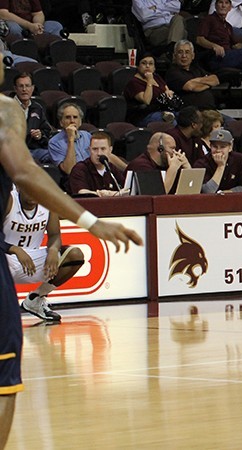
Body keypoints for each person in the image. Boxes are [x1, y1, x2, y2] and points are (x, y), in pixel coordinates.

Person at [0, 59, 143, 446]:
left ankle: (37, 301)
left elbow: (54, 235)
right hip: (8, 254)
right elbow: (26, 172)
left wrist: (55, 246)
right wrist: (93, 222)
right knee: (5, 368)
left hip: (24, 263)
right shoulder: (6, 110)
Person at [4, 188, 85, 322]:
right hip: (6, 257)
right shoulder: (9, 200)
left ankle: (35, 300)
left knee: (74, 255)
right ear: (19, 187)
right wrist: (15, 250)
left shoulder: (47, 202)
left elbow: (54, 235)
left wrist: (53, 250)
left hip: (33, 261)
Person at [196, 0, 242, 71]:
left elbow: (235, 46)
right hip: (217, 57)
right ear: (215, 6)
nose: (223, 6)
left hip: (230, 56)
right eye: (220, 2)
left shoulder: (228, 26)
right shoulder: (209, 19)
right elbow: (199, 39)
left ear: (229, 8)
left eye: (226, 3)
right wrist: (214, 45)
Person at [125, 54, 179, 127]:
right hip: (144, 115)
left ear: (154, 68)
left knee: (184, 118)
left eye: (150, 64)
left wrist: (168, 92)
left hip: (163, 111)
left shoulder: (156, 77)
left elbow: (167, 90)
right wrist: (149, 81)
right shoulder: (134, 82)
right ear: (138, 66)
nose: (147, 66)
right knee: (173, 123)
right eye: (144, 63)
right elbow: (146, 100)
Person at [68, 132, 127, 197]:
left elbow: (127, 190)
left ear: (110, 150)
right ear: (89, 150)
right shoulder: (80, 169)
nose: (99, 153)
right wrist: (108, 194)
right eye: (95, 149)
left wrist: (109, 193)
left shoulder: (111, 168)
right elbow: (82, 193)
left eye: (103, 149)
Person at [12, 73, 54, 161]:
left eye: (27, 86)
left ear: (32, 88)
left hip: (33, 149)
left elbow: (47, 130)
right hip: (13, 150)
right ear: (15, 89)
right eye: (21, 86)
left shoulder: (37, 107)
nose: (24, 89)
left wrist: (40, 135)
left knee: (54, 155)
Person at [165, 40, 219, 109]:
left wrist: (197, 82)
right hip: (190, 113)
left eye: (187, 52)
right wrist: (207, 83)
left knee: (231, 120)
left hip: (210, 110)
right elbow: (191, 87)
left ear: (193, 56)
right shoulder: (172, 72)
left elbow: (215, 80)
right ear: (174, 56)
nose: (184, 56)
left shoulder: (197, 69)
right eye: (180, 52)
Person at [192, 128, 242, 192]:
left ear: (230, 147)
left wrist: (229, 192)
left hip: (233, 199)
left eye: (223, 147)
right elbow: (207, 192)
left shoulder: (240, 160)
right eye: (215, 146)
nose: (218, 150)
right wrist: (220, 166)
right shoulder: (201, 163)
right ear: (210, 146)